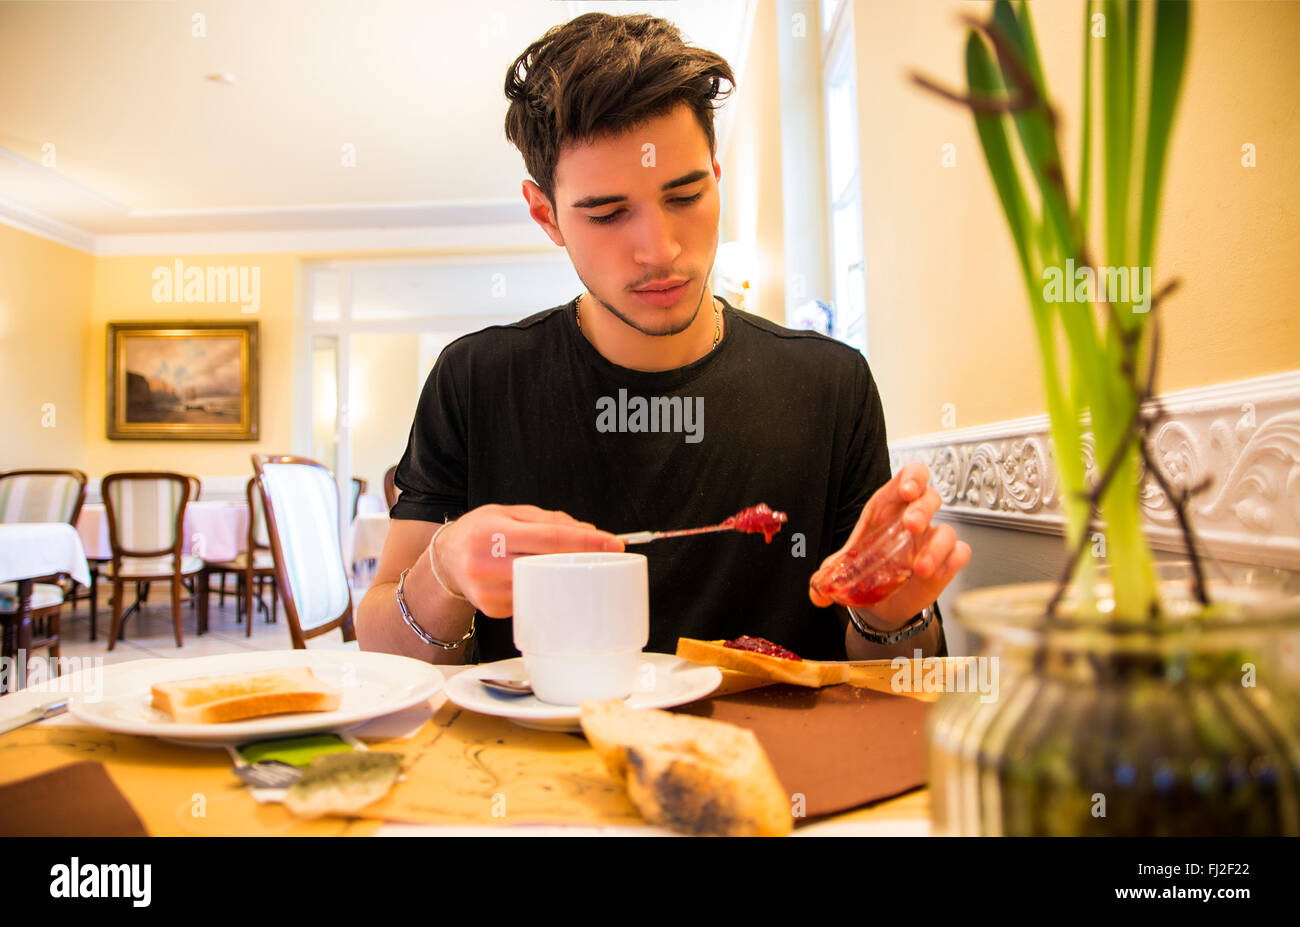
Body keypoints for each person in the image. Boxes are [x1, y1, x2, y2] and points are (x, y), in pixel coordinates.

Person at [355, 13, 971, 667]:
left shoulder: (831, 384)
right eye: (608, 212)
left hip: (776, 766)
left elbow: (896, 682)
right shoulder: (475, 380)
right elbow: (387, 655)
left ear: (716, 174)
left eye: (684, 195)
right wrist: (444, 570)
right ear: (547, 215)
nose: (661, 250)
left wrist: (887, 615)